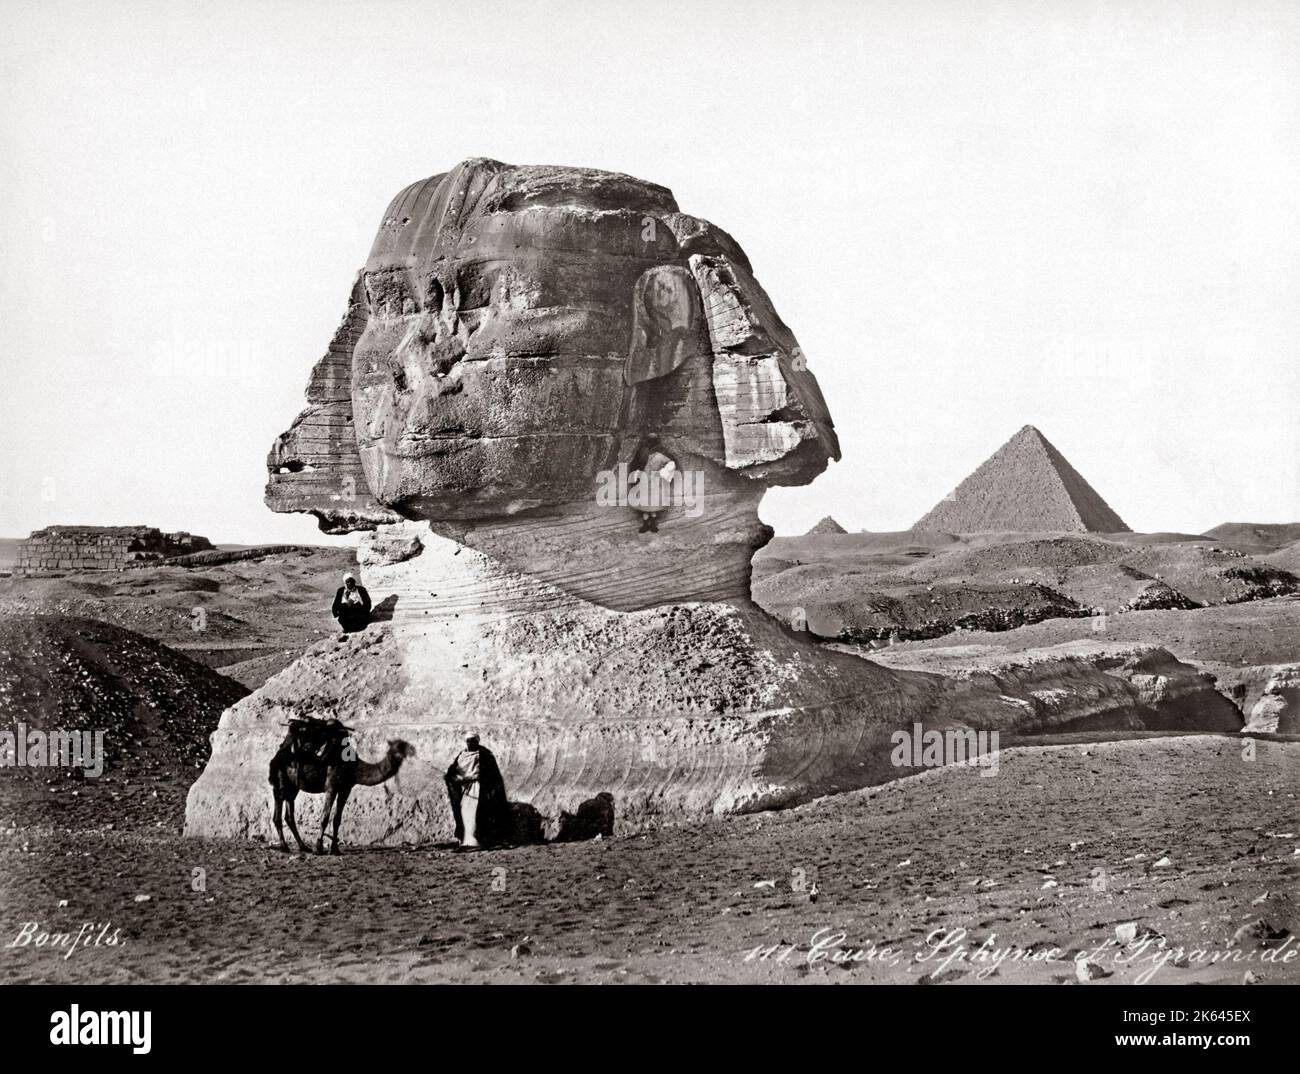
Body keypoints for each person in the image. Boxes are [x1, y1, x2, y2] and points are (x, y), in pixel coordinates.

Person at [444, 733, 509, 849]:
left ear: (477, 741)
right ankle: (466, 841)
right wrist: (455, 778)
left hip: (480, 789)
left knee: (477, 813)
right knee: (465, 814)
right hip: (466, 790)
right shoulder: (462, 755)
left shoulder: (485, 755)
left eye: (472, 740)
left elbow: (491, 775)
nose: (470, 743)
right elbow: (452, 772)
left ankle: (478, 841)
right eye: (468, 740)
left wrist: (474, 777)